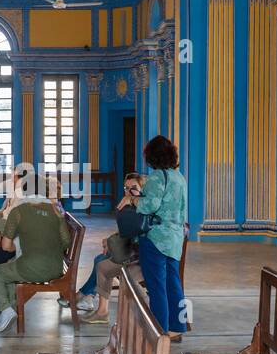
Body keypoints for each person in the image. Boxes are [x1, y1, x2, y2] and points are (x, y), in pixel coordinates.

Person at [0, 187, 71, 333]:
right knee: (11, 270)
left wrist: (18, 247)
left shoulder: (18, 211)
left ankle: (5, 309)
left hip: (32, 267)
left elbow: (5, 246)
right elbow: (66, 241)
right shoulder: (56, 210)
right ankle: (8, 309)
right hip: (56, 267)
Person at [62, 173, 147, 323]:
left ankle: (86, 297)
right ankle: (89, 299)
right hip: (130, 252)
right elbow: (128, 231)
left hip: (139, 258)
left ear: (143, 188)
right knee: (100, 259)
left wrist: (113, 240)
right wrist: (110, 240)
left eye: (134, 188)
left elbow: (138, 231)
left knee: (102, 263)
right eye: (126, 188)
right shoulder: (130, 206)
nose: (129, 192)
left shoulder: (145, 206)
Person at [129, 135, 187, 342]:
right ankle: (177, 328)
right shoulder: (179, 177)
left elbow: (149, 206)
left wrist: (134, 198)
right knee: (174, 282)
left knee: (156, 285)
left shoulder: (156, 177)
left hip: (156, 237)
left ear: (152, 156)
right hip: (175, 237)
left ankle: (159, 330)